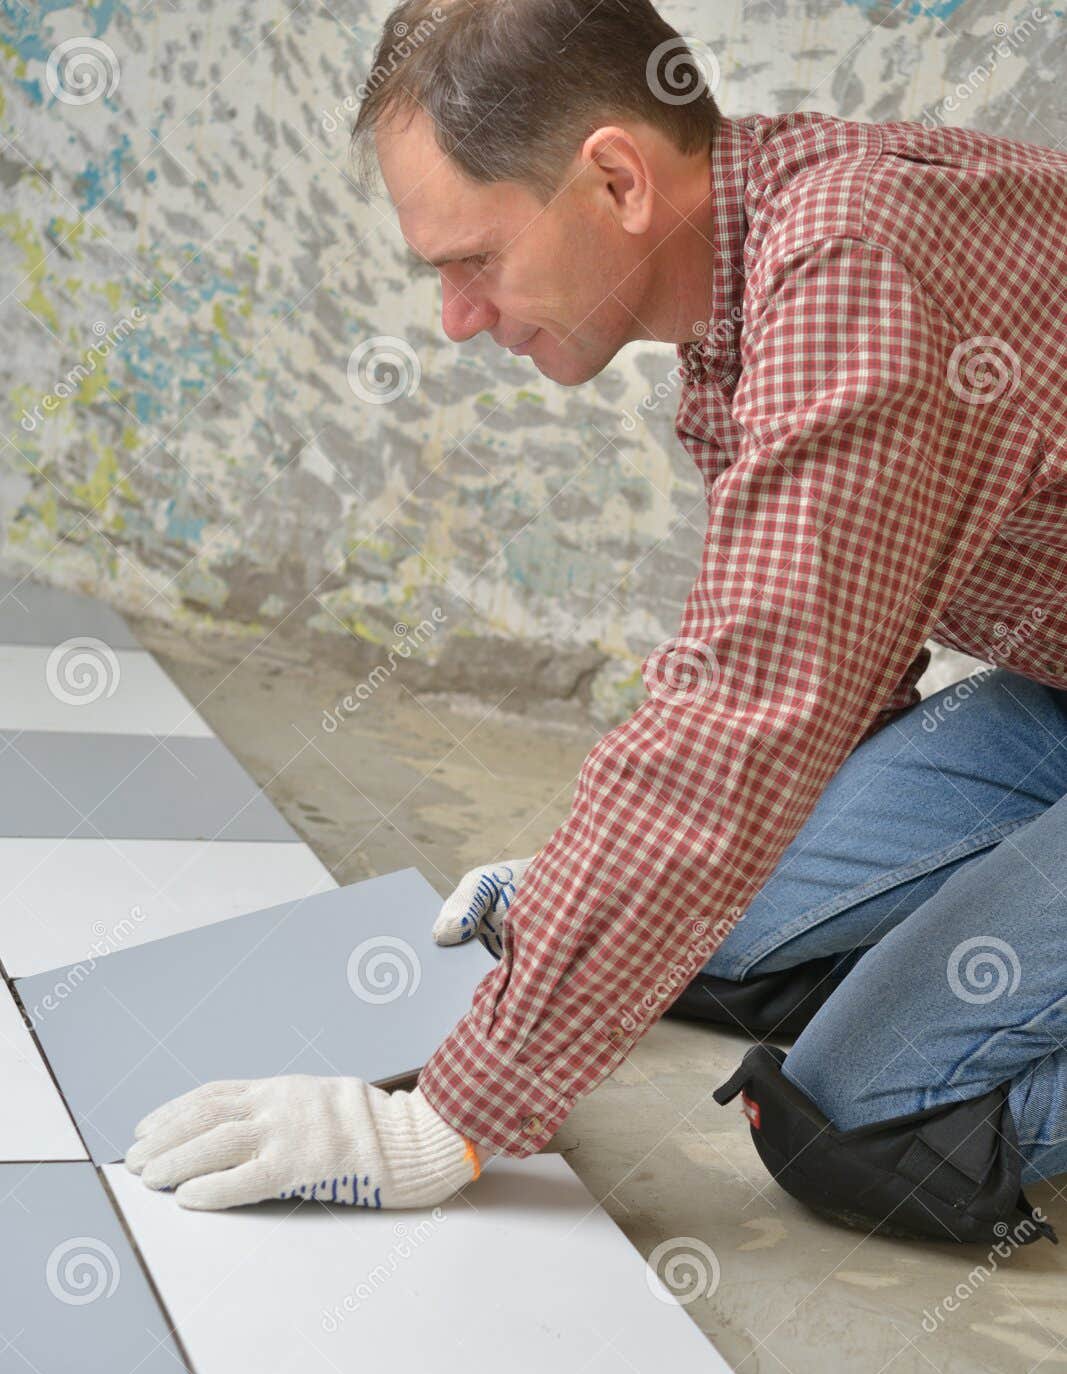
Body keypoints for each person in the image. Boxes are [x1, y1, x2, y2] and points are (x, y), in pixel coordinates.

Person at [127, 0, 1067, 1245]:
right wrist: (587, 892)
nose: (456, 316)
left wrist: (448, 1117)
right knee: (709, 943)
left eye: (471, 260)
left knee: (857, 1122)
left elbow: (748, 704)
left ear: (614, 177)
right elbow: (824, 643)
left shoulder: (849, 267)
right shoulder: (763, 247)